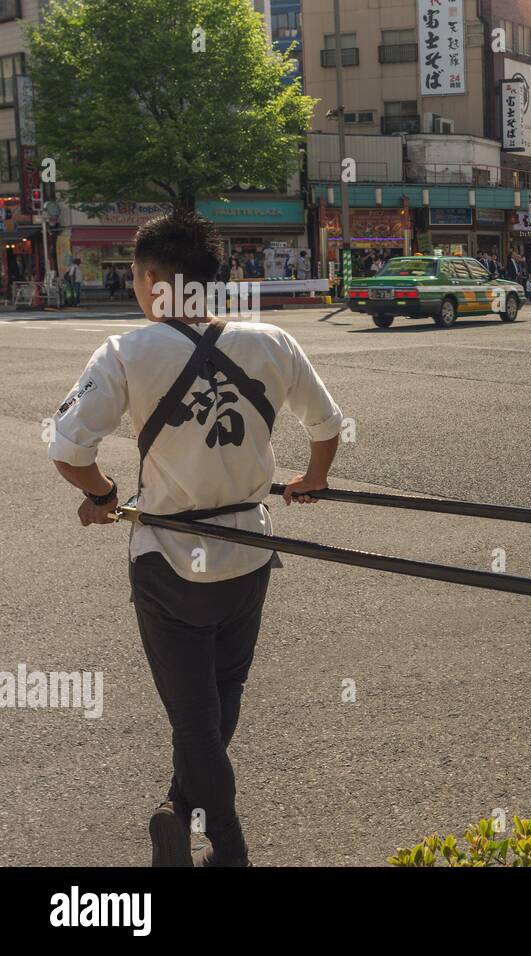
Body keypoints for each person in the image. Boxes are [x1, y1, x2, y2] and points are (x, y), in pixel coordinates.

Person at [47, 210, 345, 867]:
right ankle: (179, 813)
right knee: (218, 704)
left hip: (168, 565)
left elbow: (69, 450)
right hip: (250, 557)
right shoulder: (274, 343)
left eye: (134, 276)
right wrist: (311, 479)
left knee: (194, 722)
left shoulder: (127, 352)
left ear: (155, 280)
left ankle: (226, 846)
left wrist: (101, 496)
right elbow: (327, 427)